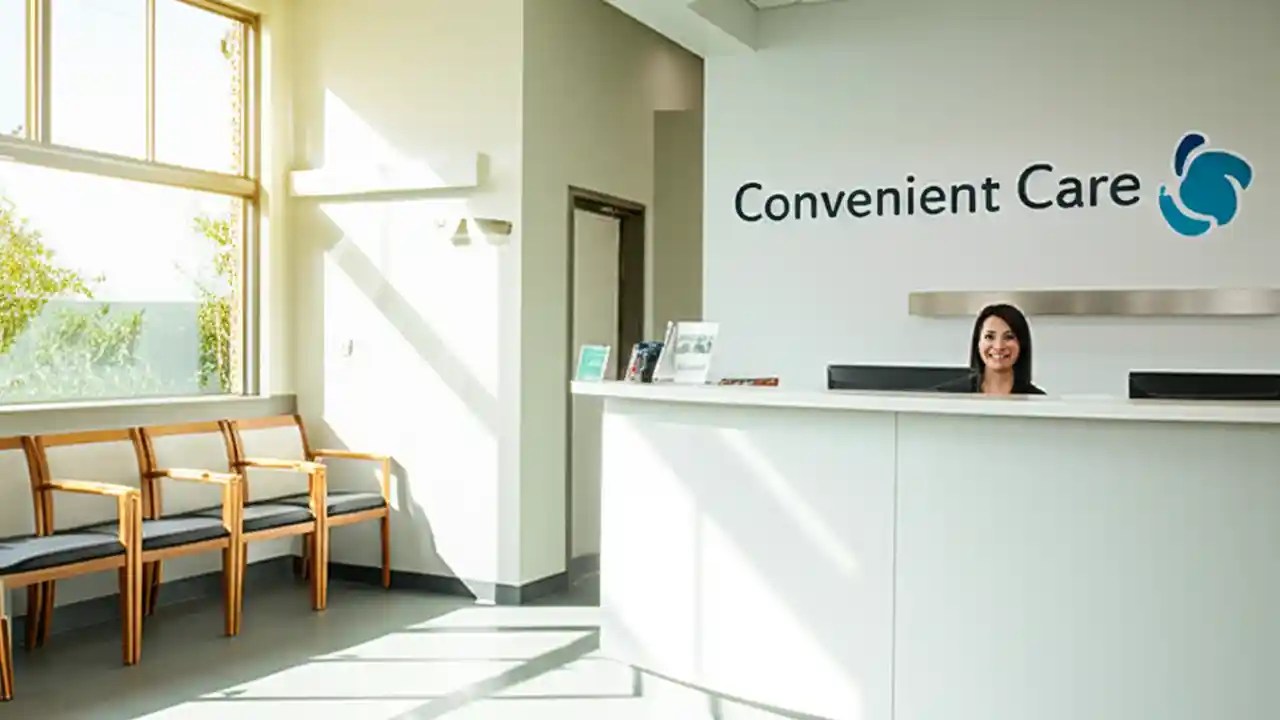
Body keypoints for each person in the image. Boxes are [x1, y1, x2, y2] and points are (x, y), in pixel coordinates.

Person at [934, 303, 1046, 395]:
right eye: (989, 337)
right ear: (978, 342)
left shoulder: (1038, 399)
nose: (998, 346)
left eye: (1009, 337)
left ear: (1022, 343)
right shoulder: (950, 395)